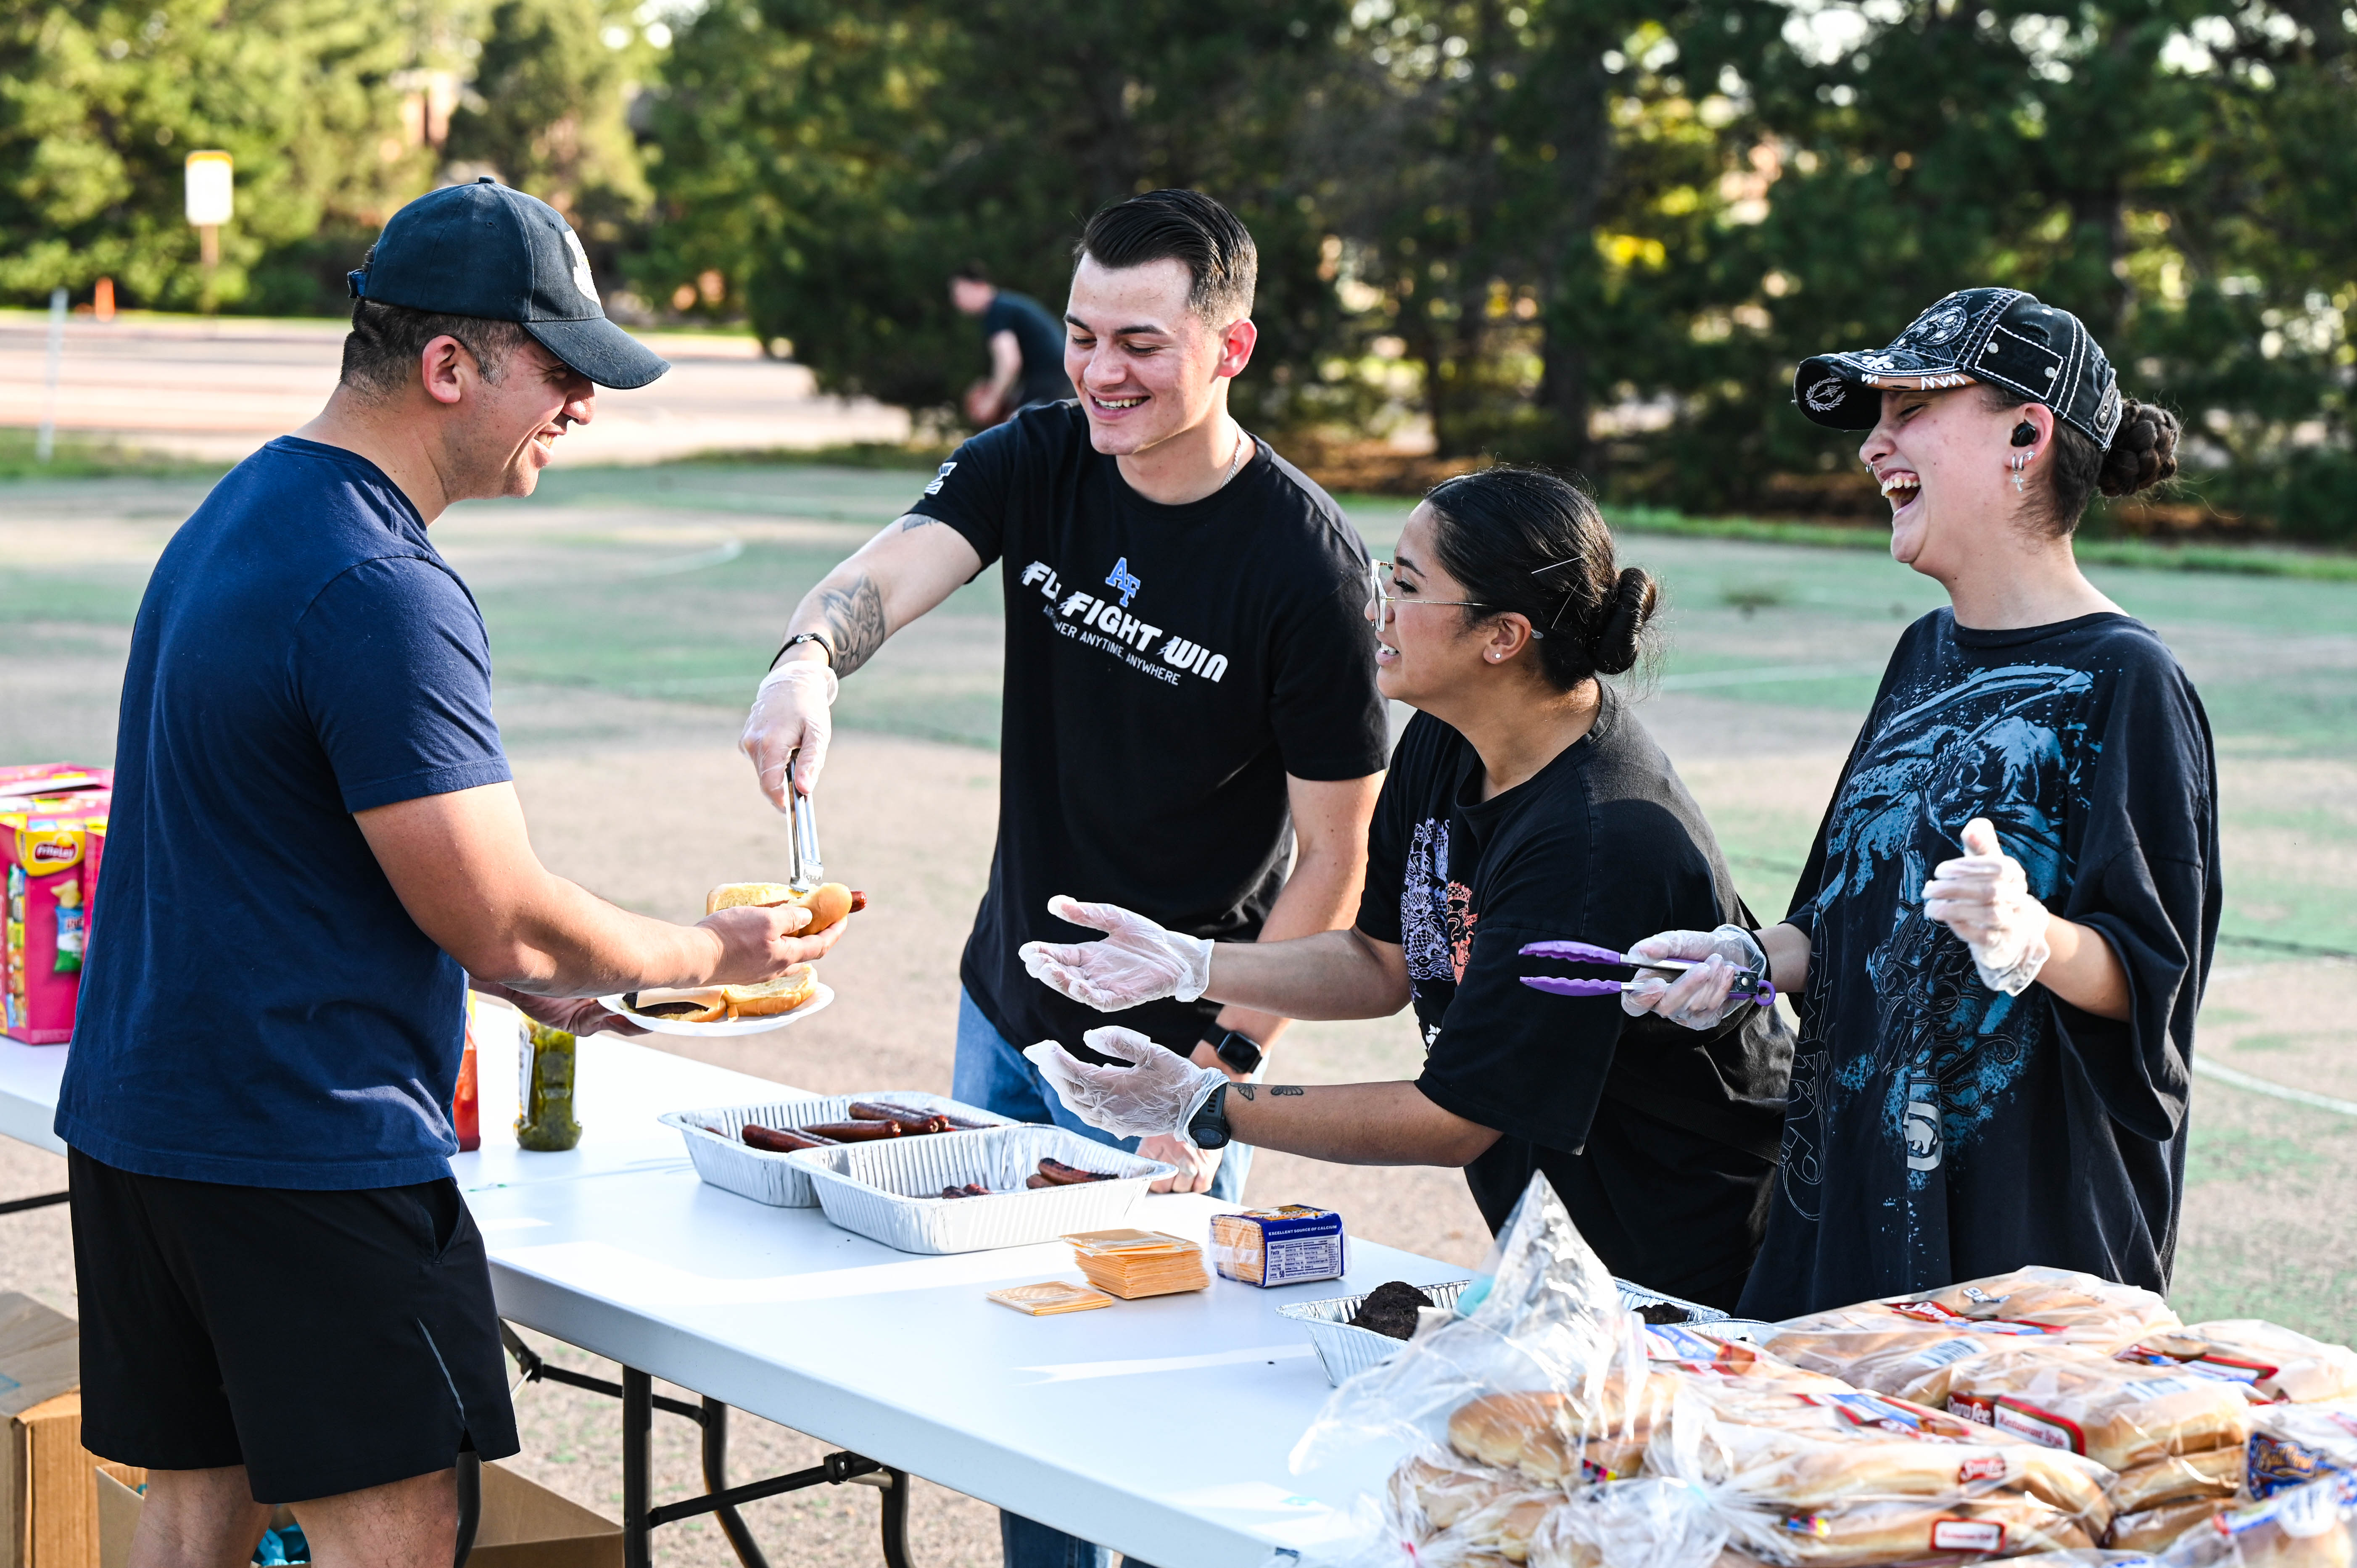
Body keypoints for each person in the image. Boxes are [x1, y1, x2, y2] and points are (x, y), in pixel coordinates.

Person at [57, 179, 840, 1568]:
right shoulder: (382, 585)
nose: (583, 406)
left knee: (189, 1515)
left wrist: (551, 974)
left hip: (147, 1120)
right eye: (563, 370)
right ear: (447, 367)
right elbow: (508, 929)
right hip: (300, 1137)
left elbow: (280, 841)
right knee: (401, 1534)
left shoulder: (245, 509)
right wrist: (716, 954)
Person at [742, 189, 1387, 1568]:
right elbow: (887, 573)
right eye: (1084, 334)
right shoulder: (1037, 460)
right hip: (1003, 1012)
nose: (1098, 370)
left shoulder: (1307, 571)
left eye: (1140, 343)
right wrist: (807, 659)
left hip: (1159, 1053)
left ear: (1231, 348)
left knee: (1141, 1414)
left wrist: (1209, 1076)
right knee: (1020, 1395)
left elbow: (1336, 857)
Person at [1021, 467, 1795, 1311]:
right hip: (1565, 1237)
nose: (1374, 609)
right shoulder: (1448, 735)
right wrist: (1196, 964)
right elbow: (1378, 960)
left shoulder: (1598, 838)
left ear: (1501, 636)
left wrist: (1209, 1102)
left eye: (1406, 584)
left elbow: (1456, 1116)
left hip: (1696, 1262)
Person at [1619, 288, 2217, 1320]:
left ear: (2027, 434)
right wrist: (1747, 961)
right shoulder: (1923, 652)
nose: (1872, 448)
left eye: (1909, 412)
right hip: (1845, 1219)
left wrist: (2032, 937)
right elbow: (1838, 914)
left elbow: (2148, 980)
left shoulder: (2127, 680)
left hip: (2020, 1255)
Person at [951, 264, 1075, 424]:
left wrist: (992, 399)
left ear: (978, 286)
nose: (956, 301)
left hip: (1053, 379)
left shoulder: (997, 311)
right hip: (1059, 376)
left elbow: (1010, 362)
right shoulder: (1006, 305)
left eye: (959, 293)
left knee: (1018, 427)